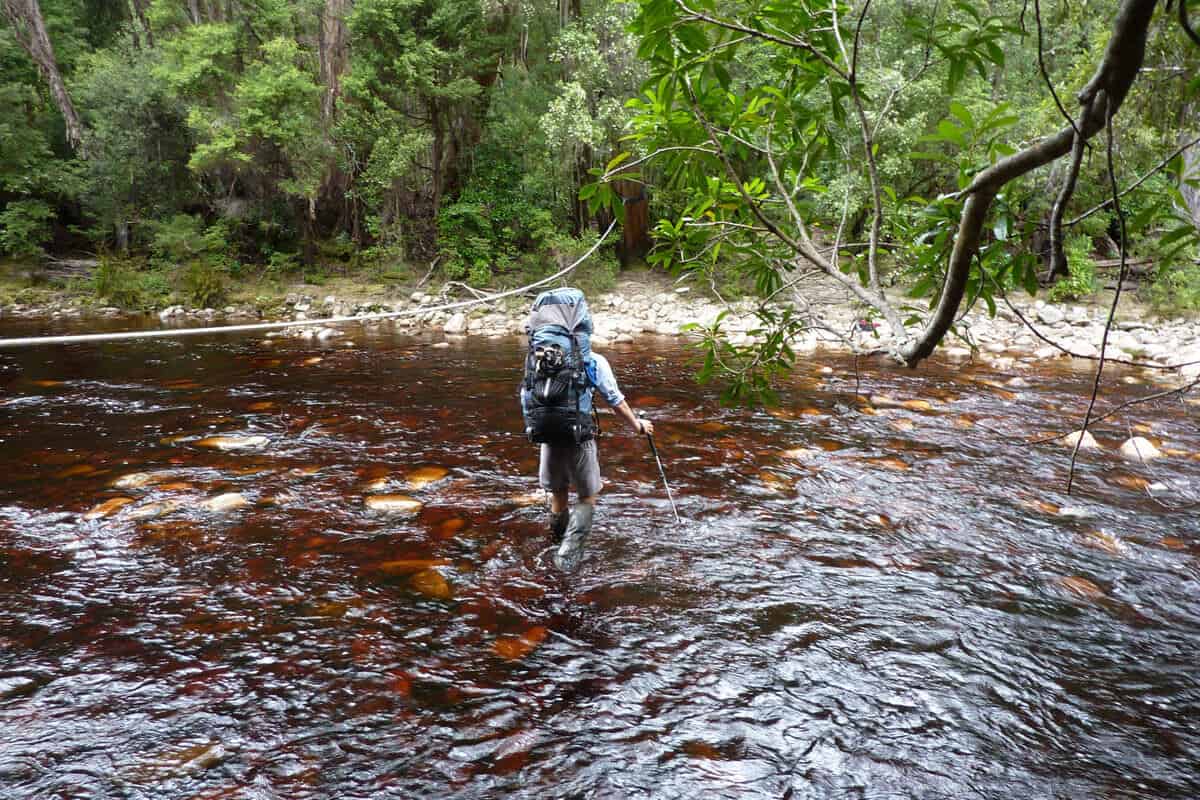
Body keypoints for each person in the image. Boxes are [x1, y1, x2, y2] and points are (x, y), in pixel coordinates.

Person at [542, 351, 653, 571]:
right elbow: (615, 400)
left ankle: (553, 547)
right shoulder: (592, 359)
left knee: (558, 492)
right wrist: (637, 426)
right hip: (580, 436)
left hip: (547, 435)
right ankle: (567, 560)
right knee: (587, 496)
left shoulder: (540, 356)